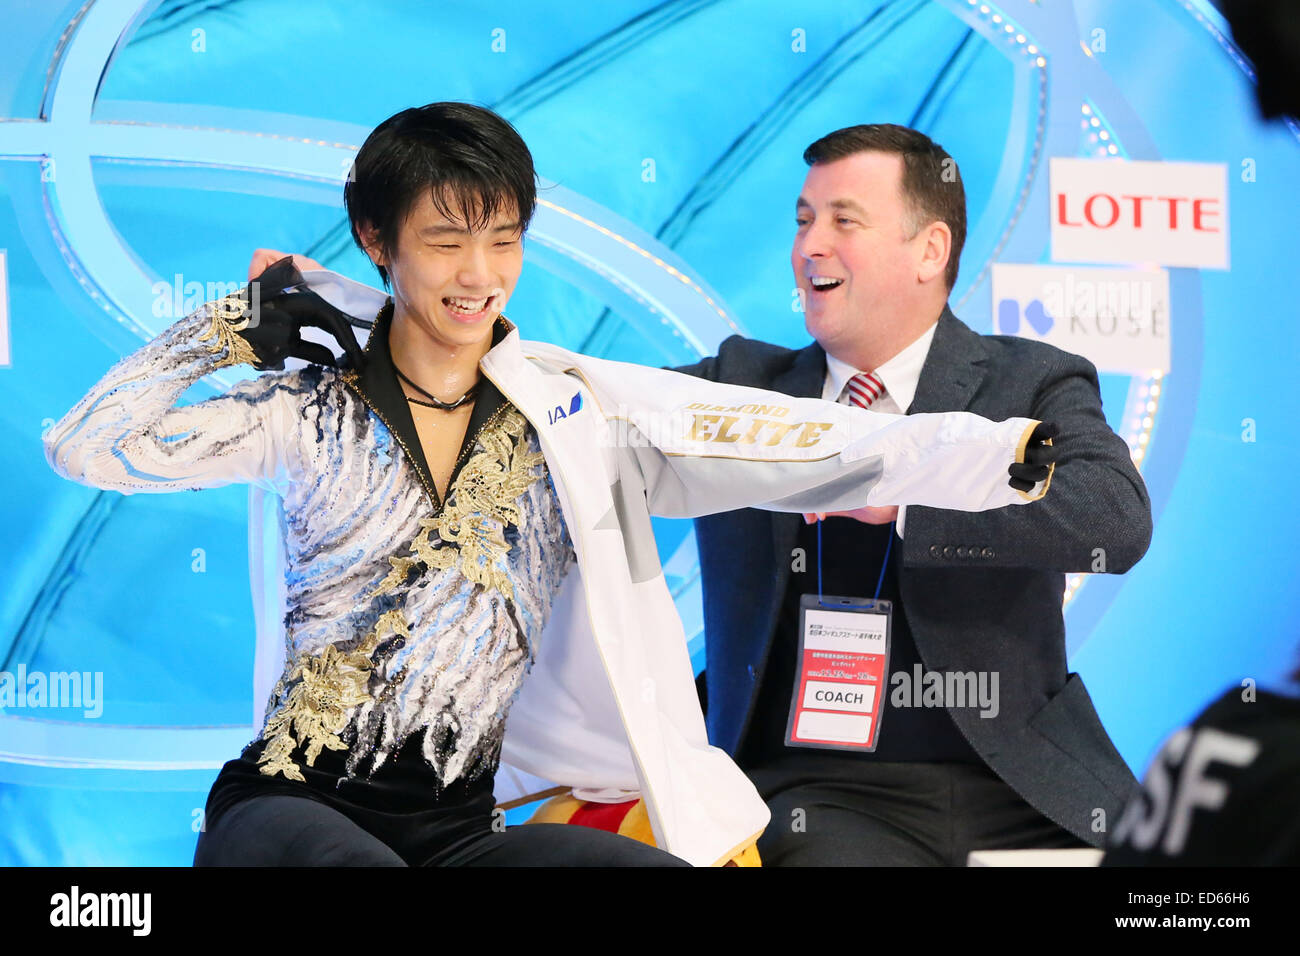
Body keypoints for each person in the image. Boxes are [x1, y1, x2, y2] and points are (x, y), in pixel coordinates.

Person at [46, 104, 1057, 868]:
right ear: (376, 238)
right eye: (445, 239)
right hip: (287, 809)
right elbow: (89, 445)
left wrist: (983, 456)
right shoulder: (305, 412)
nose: (479, 272)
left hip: (460, 830)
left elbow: (792, 439)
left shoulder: (572, 419)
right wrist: (227, 325)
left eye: (502, 238)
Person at [673, 124, 1153, 865]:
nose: (810, 246)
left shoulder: (1029, 382)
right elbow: (593, 411)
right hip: (819, 792)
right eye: (803, 220)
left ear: (929, 251)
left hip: (1022, 782)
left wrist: (905, 498)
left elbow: (1115, 520)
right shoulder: (741, 386)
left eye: (843, 220)